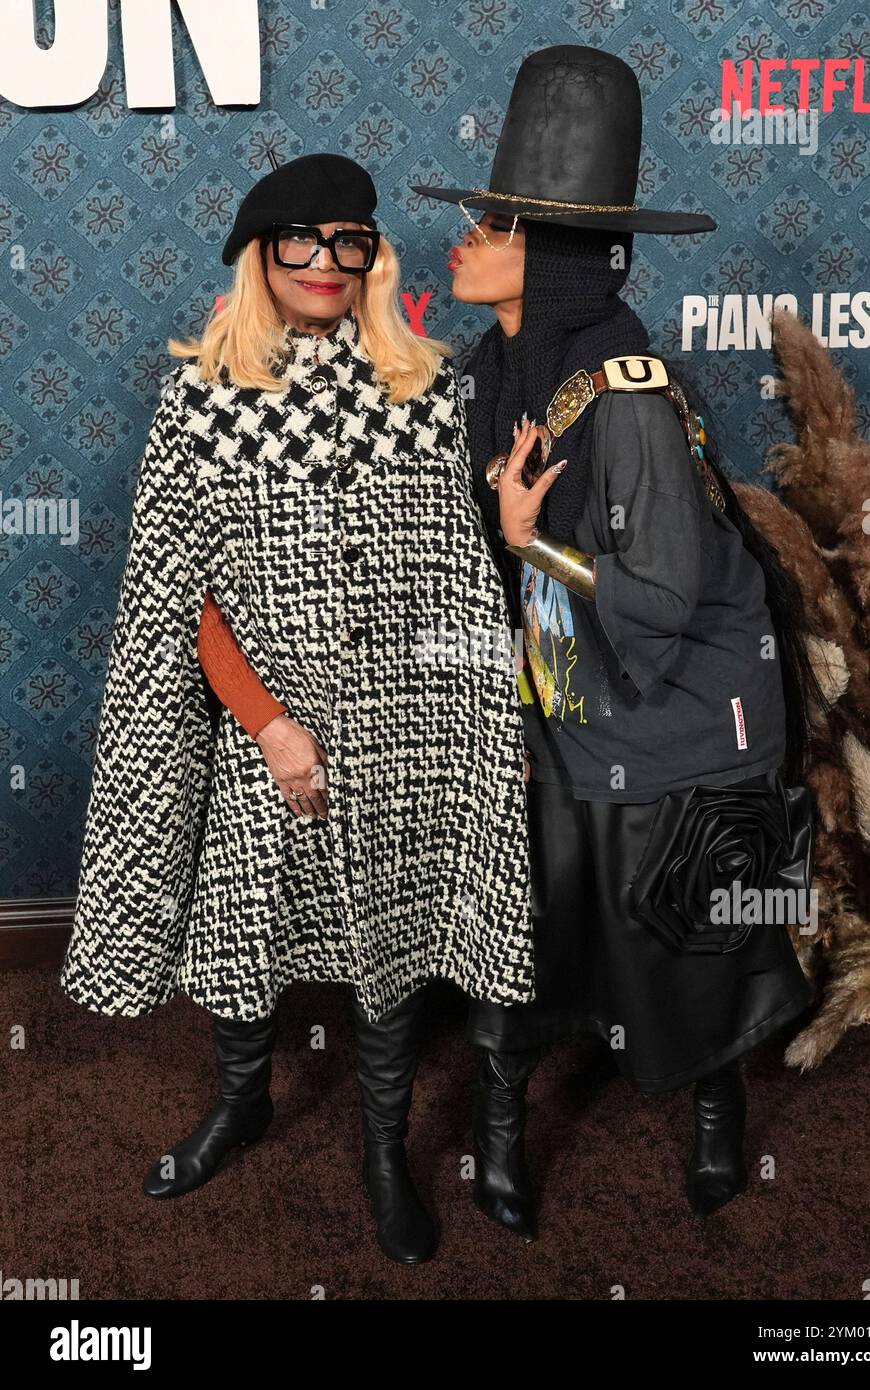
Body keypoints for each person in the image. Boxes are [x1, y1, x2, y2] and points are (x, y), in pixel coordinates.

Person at [59, 153, 535, 1266]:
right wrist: (269, 725)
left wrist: (484, 723)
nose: (326, 263)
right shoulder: (200, 397)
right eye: (300, 242)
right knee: (239, 935)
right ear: (259, 256)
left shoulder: (422, 392)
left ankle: (384, 1148)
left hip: (398, 729)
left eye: (349, 242)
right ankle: (243, 1101)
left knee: (387, 946)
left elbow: (453, 577)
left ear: (374, 258)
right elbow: (185, 595)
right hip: (257, 728)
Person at [409, 45, 826, 1234]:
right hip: (565, 696)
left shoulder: (627, 393)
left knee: (685, 926)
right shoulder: (497, 367)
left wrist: (528, 541)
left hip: (675, 707)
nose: (465, 239)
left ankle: (713, 1110)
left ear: (542, 255)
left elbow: (658, 593)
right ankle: (499, 1117)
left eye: (489, 223)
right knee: (532, 908)